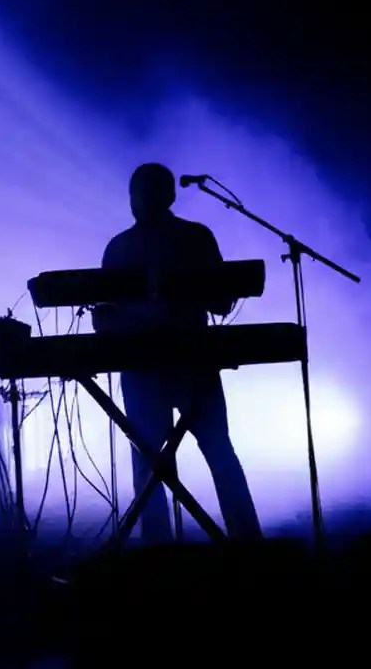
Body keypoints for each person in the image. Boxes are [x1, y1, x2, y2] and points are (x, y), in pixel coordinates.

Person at [92, 162, 262, 543]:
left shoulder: (120, 246)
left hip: (147, 367)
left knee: (152, 464)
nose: (139, 201)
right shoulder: (194, 237)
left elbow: (104, 318)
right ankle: (249, 543)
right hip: (190, 361)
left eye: (141, 193)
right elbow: (221, 303)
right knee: (218, 453)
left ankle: (160, 552)